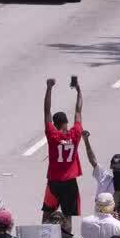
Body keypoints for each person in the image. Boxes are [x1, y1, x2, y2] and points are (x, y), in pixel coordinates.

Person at [41, 77, 84, 218]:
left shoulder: (53, 136)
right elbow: (78, 111)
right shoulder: (75, 134)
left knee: (47, 214)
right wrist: (78, 90)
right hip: (70, 182)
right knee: (67, 217)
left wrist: (49, 87)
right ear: (66, 122)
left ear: (55, 124)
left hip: (54, 181)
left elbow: (47, 111)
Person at [81, 130, 120, 209]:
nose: (117, 171)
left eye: (119, 168)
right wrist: (86, 141)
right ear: (111, 167)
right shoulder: (104, 180)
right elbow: (93, 161)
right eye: (115, 168)